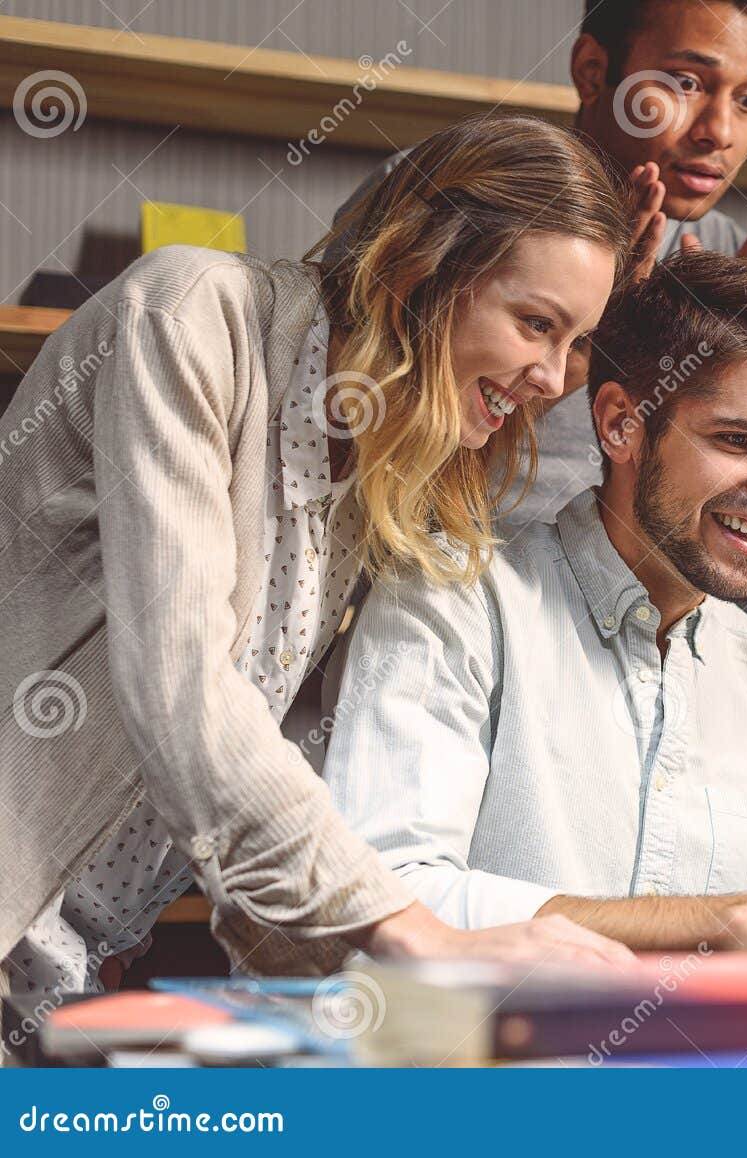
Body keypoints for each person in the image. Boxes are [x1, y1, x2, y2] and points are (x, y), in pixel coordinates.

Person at [0, 113, 641, 1010]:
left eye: (576, 344)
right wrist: (424, 936)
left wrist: (389, 993)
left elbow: (280, 766)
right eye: (537, 323)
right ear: (421, 268)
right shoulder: (191, 315)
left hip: (63, 980)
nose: (554, 377)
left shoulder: (381, 458)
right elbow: (183, 691)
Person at [322, 252, 747, 957]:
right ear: (620, 424)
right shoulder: (454, 602)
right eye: (740, 441)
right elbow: (388, 895)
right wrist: (739, 922)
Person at [328, 0, 747, 530]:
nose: (720, 131)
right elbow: (345, 436)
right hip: (434, 566)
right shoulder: (460, 190)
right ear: (593, 70)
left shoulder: (720, 252)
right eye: (686, 83)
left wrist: (745, 371)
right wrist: (588, 351)